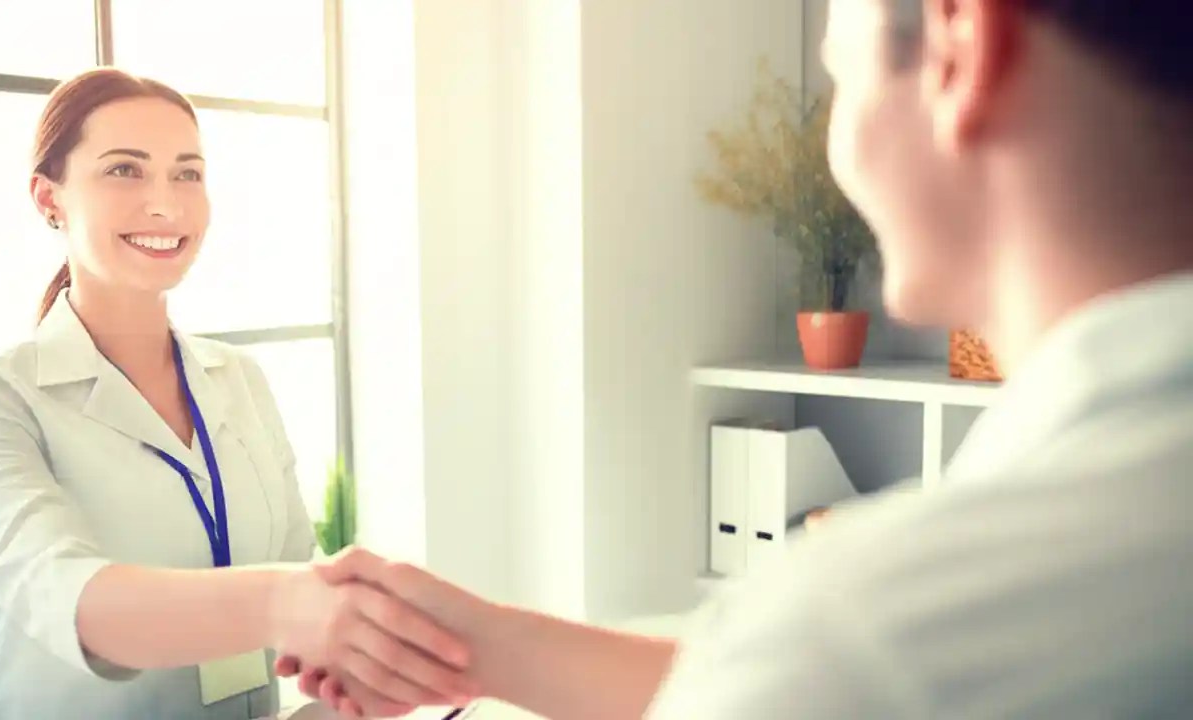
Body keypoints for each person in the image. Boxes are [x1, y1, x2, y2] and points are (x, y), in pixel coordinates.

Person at [282, 0, 1193, 717]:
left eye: (839, 80)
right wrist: (484, 649)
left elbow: (839, 673)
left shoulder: (871, 630)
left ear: (961, 46)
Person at [0, 68, 479, 720]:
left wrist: (377, 674)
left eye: (187, 173)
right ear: (49, 199)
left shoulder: (237, 377)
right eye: (124, 170)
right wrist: (295, 602)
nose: (165, 203)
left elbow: (297, 569)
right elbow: (67, 596)